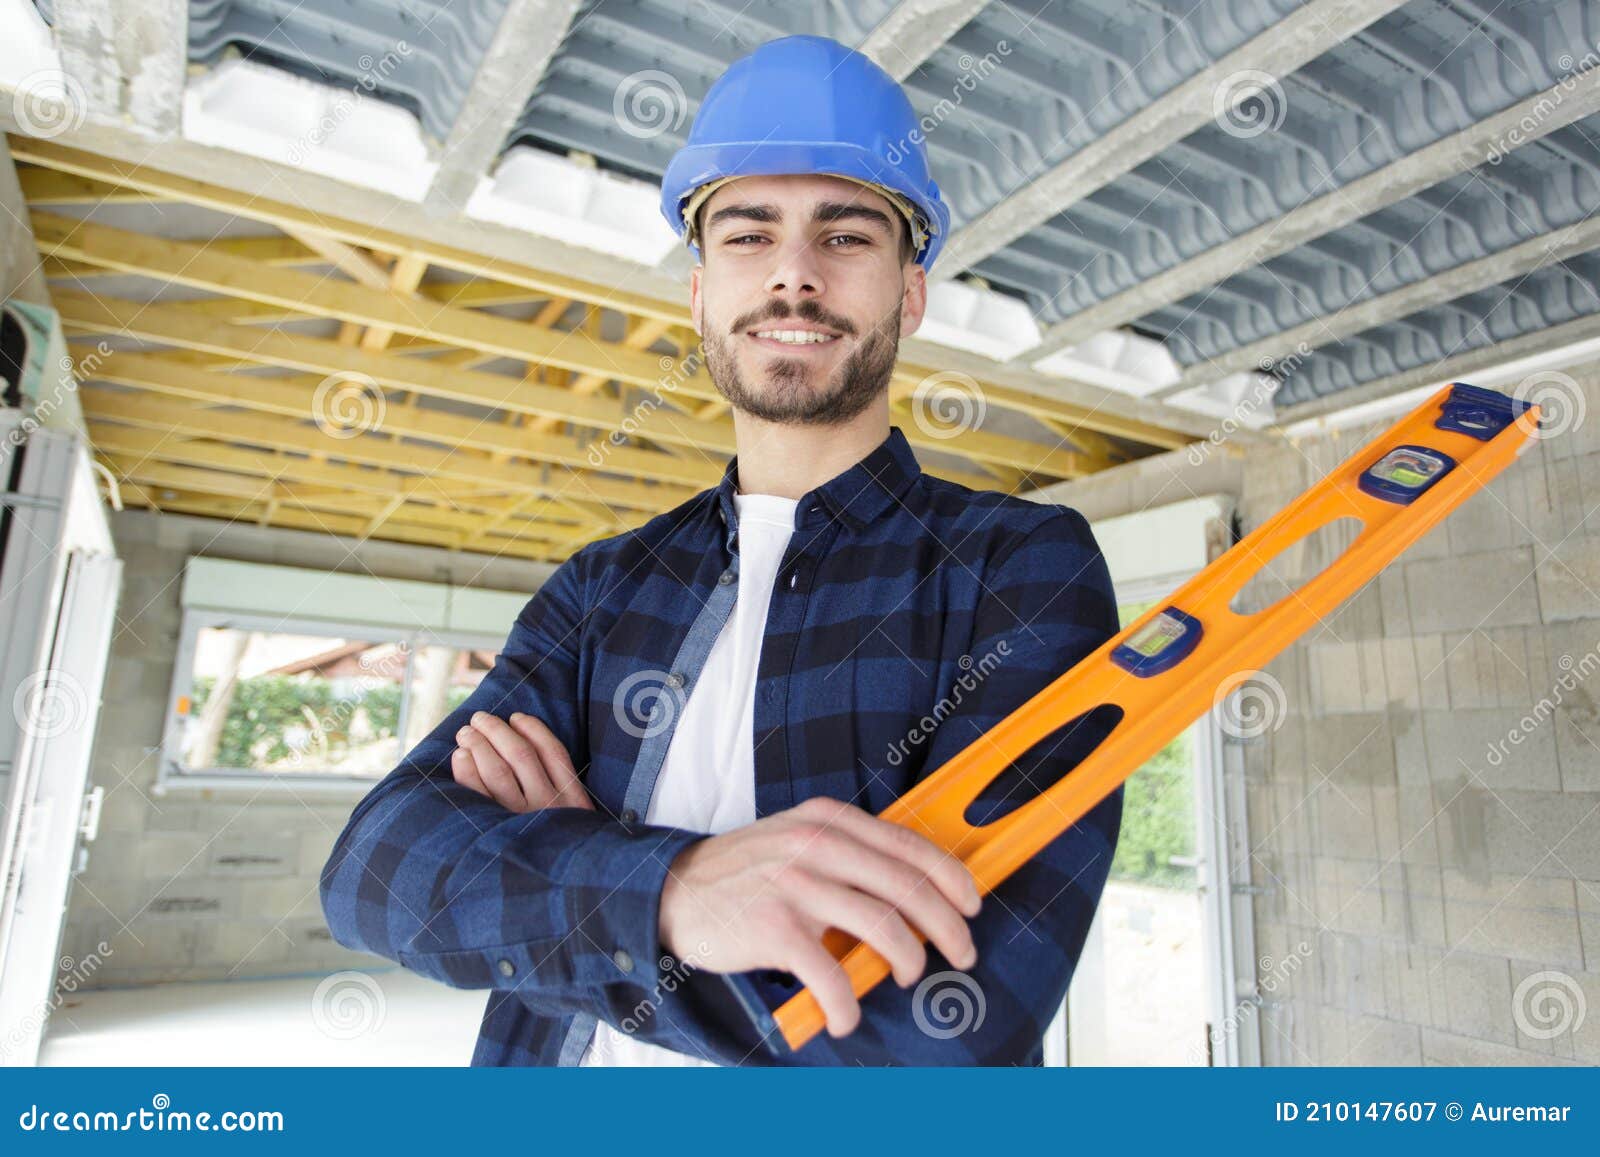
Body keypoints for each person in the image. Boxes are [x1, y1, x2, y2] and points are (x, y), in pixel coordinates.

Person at [320, 34, 1123, 1066]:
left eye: (845, 237)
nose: (793, 274)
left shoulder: (1017, 567)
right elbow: (373, 872)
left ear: (908, 295)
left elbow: (940, 1029)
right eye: (747, 235)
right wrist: (679, 890)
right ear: (699, 294)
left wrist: (576, 880)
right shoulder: (602, 588)